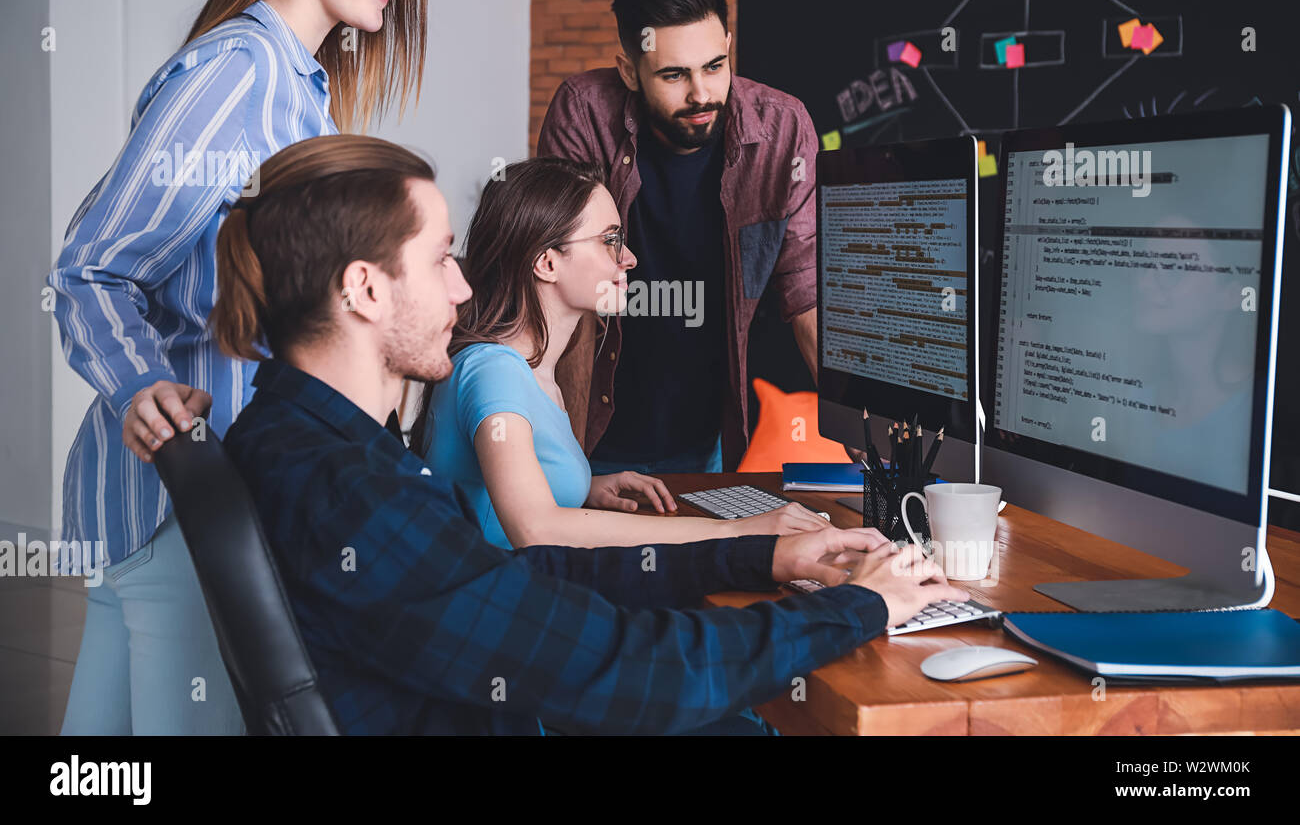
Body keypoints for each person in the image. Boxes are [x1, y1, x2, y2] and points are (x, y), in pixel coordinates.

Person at [212, 133, 969, 735]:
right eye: (440, 258)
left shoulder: (300, 439)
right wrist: (860, 607)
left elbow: (521, 579)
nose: (463, 285)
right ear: (365, 289)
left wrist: (762, 554)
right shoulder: (355, 497)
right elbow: (637, 673)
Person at [46, 0, 432, 734]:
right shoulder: (239, 76)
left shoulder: (300, 87)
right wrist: (143, 387)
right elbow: (91, 269)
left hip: (175, 505)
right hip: (184, 504)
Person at [410, 157, 830, 549]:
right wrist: (738, 530)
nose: (628, 258)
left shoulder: (528, 368)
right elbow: (536, 529)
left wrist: (583, 487)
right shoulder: (494, 370)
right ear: (547, 264)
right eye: (609, 241)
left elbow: (509, 488)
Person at [537, 0, 825, 475]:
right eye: (674, 75)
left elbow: (807, 292)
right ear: (629, 70)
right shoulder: (583, 112)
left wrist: (866, 431)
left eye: (715, 66)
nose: (701, 94)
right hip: (589, 429)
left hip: (705, 433)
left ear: (729, 47)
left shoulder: (782, 129)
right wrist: (553, 443)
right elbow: (558, 280)